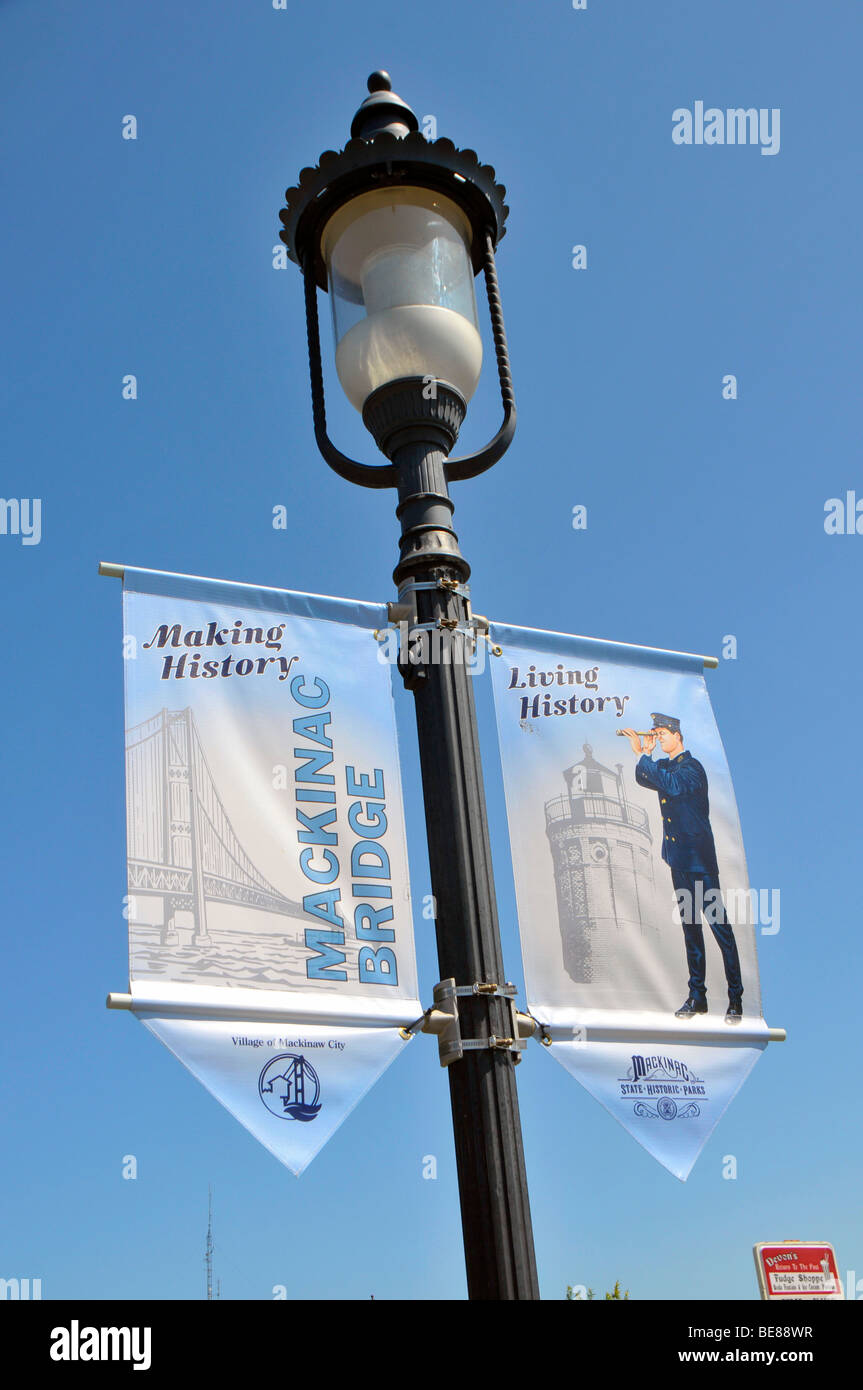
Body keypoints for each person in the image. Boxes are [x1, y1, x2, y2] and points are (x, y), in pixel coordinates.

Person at [621, 714, 743, 1022]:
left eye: (662, 734)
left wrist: (644, 755)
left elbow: (673, 787)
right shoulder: (665, 767)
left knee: (720, 929)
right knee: (691, 930)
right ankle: (697, 995)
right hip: (678, 859)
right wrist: (643, 753)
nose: (659, 738)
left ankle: (735, 998)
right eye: (657, 734)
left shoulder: (691, 768)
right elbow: (643, 777)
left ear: (677, 735)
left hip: (699, 861)